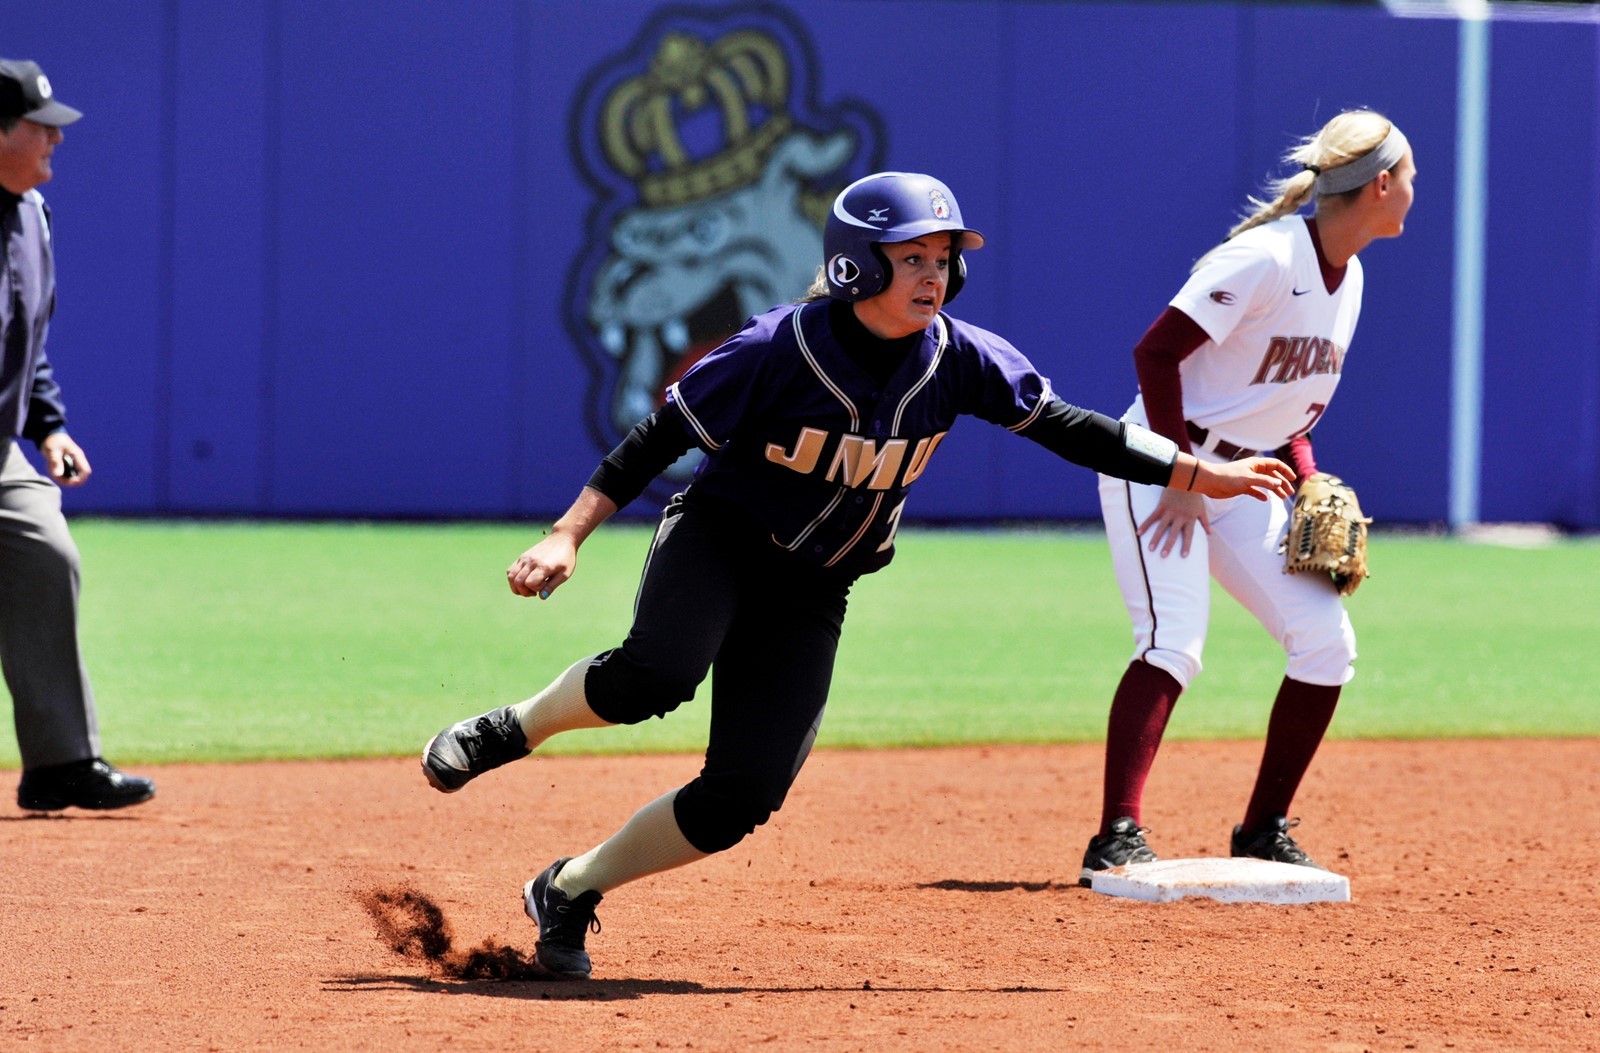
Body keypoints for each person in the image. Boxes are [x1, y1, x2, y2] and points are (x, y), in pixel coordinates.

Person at [422, 171, 1295, 979]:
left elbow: (1069, 426)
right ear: (852, 265)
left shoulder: (962, 358)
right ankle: (513, 727)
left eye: (943, 258)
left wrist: (1193, 470)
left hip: (816, 585)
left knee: (743, 796)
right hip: (724, 537)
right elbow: (659, 438)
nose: (933, 274)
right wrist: (567, 536)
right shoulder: (776, 346)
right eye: (911, 257)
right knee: (658, 673)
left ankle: (570, 887)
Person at [1079, 110, 1415, 884]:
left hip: (1245, 477)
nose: (1414, 194)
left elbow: (1288, 406)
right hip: (1160, 463)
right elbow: (1155, 353)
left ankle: (1263, 826)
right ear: (1382, 184)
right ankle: (1115, 835)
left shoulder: (1350, 276)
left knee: (1328, 644)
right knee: (1173, 641)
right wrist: (1182, 474)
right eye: (1412, 179)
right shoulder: (1266, 257)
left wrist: (1309, 476)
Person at [1, 58, 155, 812]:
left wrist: (50, 424)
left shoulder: (31, 215)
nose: (54, 140)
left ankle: (60, 761)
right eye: (41, 127)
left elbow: (25, 343)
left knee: (44, 549)